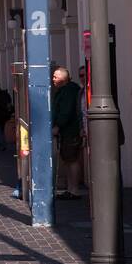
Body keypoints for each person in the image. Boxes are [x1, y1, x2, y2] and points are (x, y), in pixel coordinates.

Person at [52, 67, 84, 200]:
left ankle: (74, 189)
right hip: (66, 131)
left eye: (55, 77)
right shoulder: (64, 90)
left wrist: (58, 125)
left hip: (70, 131)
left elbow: (66, 110)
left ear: (63, 78)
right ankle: (70, 188)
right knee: (67, 159)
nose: (53, 79)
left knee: (72, 159)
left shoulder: (69, 90)